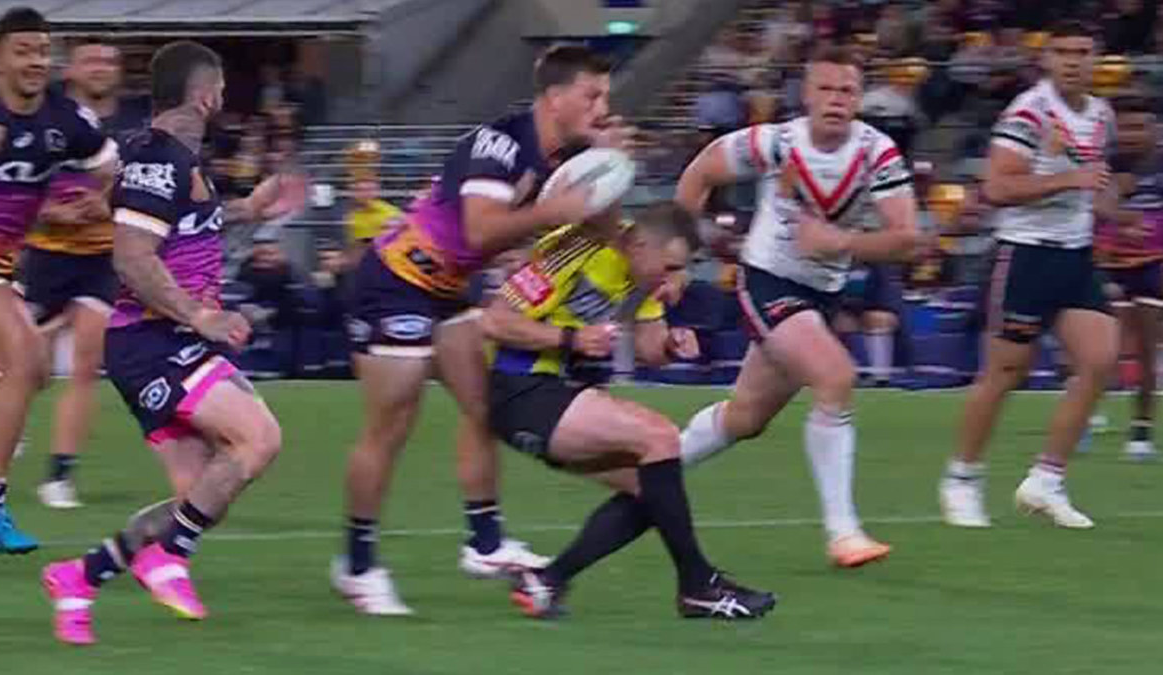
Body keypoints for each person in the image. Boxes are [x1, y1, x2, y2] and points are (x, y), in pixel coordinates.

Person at [334, 44, 623, 615]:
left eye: (605, 97)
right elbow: (481, 230)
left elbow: (584, 230)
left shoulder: (565, 155)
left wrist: (615, 169)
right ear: (555, 97)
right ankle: (358, 565)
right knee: (391, 425)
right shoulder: (502, 143)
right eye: (592, 96)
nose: (601, 107)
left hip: (446, 290)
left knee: (484, 405)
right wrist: (553, 211)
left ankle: (485, 543)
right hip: (395, 281)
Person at [42, 40, 297, 646]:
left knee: (203, 494)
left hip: (153, 342)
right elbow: (132, 258)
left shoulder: (166, 158)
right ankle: (169, 558)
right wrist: (198, 316)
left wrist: (248, 210)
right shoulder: (163, 160)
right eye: (221, 93)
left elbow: (180, 221)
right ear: (207, 95)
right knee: (260, 438)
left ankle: (81, 576)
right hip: (158, 338)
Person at [672, 46, 919, 568]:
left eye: (847, 90)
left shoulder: (878, 154)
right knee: (835, 375)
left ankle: (652, 465)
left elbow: (906, 239)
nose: (836, 100)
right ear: (806, 95)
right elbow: (700, 173)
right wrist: (678, 251)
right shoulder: (776, 142)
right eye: (825, 89)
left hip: (822, 293)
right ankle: (843, 532)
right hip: (766, 279)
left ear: (860, 97)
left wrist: (837, 242)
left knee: (745, 418)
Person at [486, 203, 777, 620]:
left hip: (554, 392)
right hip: (516, 386)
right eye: (671, 265)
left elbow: (648, 350)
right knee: (660, 438)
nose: (674, 278)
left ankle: (548, 580)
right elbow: (495, 321)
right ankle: (698, 587)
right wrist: (571, 339)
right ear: (640, 244)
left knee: (653, 486)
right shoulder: (578, 246)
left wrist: (673, 343)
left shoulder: (641, 277)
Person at [939, 21, 1117, 529]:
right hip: (1026, 253)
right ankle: (962, 478)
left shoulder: (1100, 114)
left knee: (1100, 360)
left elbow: (1091, 181)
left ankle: (1046, 481)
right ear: (1047, 58)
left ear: (1095, 57)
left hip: (1074, 254)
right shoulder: (1029, 112)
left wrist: (1103, 201)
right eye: (1062, 52)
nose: (1073, 61)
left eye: (1082, 52)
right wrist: (1071, 179)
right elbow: (996, 186)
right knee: (1005, 372)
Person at [0, 8, 117, 553]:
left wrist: (86, 202)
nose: (35, 61)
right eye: (23, 50)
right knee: (27, 360)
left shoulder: (65, 122)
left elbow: (109, 164)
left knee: (29, 368)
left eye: (42, 50)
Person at [24, 37, 150, 509]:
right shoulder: (45, 117)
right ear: (69, 71)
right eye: (91, 60)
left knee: (85, 364)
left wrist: (108, 201)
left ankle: (59, 475)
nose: (102, 67)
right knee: (25, 365)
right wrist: (49, 211)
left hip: (100, 257)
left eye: (111, 61)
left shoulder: (136, 126)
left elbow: (141, 184)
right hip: (46, 254)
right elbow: (15, 183)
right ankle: (14, 412)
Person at [1095, 96, 1163, 461]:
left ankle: (1141, 430)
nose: (1131, 135)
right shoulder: (1111, 164)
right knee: (1104, 347)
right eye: (1124, 127)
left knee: (1148, 348)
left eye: (1139, 127)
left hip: (1154, 265)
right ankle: (1092, 413)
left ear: (1156, 130)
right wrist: (1125, 220)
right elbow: (1101, 206)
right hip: (1113, 262)